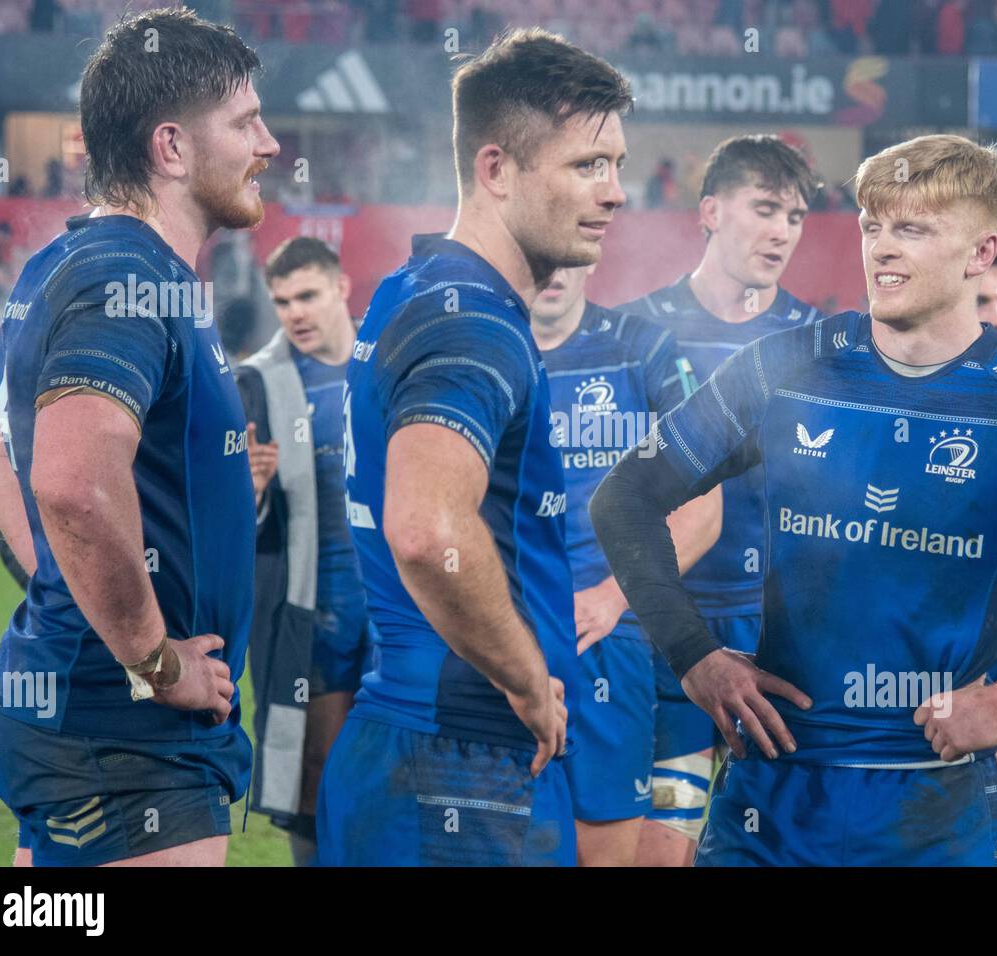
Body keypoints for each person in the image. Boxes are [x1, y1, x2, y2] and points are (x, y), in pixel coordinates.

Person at [591, 133, 997, 866]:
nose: (882, 248)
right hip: (770, 802)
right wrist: (695, 656)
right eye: (873, 226)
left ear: (982, 255)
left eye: (912, 229)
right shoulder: (785, 366)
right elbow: (624, 497)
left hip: (933, 815)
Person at [0, 9, 278, 867]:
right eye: (247, 122)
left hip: (94, 727)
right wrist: (156, 663)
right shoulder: (125, 273)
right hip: (126, 735)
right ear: (172, 147)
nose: (271, 143)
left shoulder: (80, 264)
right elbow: (71, 483)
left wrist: (67, 578)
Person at [316, 28, 633, 866]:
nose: (615, 191)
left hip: (411, 747)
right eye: (588, 164)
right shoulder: (476, 324)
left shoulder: (415, 288)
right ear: (496, 169)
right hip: (462, 763)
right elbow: (425, 528)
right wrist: (530, 681)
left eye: (618, 166)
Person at [618, 134, 822, 865]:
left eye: (795, 216)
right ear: (709, 211)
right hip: (660, 630)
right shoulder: (634, 332)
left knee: (772, 847)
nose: (781, 231)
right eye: (764, 209)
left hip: (778, 640)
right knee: (656, 847)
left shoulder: (814, 343)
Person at [530, 263, 721, 865]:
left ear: (591, 257)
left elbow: (705, 510)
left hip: (610, 644)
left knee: (605, 849)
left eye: (568, 257)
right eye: (542, 254)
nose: (555, 272)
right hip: (505, 642)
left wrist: (613, 598)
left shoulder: (644, 351)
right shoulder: (487, 346)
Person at [235, 236, 371, 866]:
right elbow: (231, 524)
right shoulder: (259, 382)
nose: (296, 313)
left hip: (404, 608)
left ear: (342, 287)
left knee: (406, 774)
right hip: (312, 612)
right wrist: (252, 491)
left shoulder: (392, 358)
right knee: (315, 774)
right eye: (283, 301)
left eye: (308, 295)